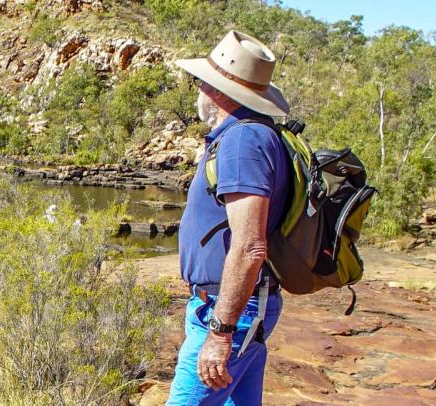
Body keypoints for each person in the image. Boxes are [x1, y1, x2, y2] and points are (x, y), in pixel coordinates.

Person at [167, 30, 292, 405]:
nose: (199, 89)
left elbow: (251, 245)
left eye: (203, 81)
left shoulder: (242, 142)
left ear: (216, 90)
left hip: (230, 313)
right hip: (239, 307)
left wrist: (220, 332)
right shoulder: (253, 135)